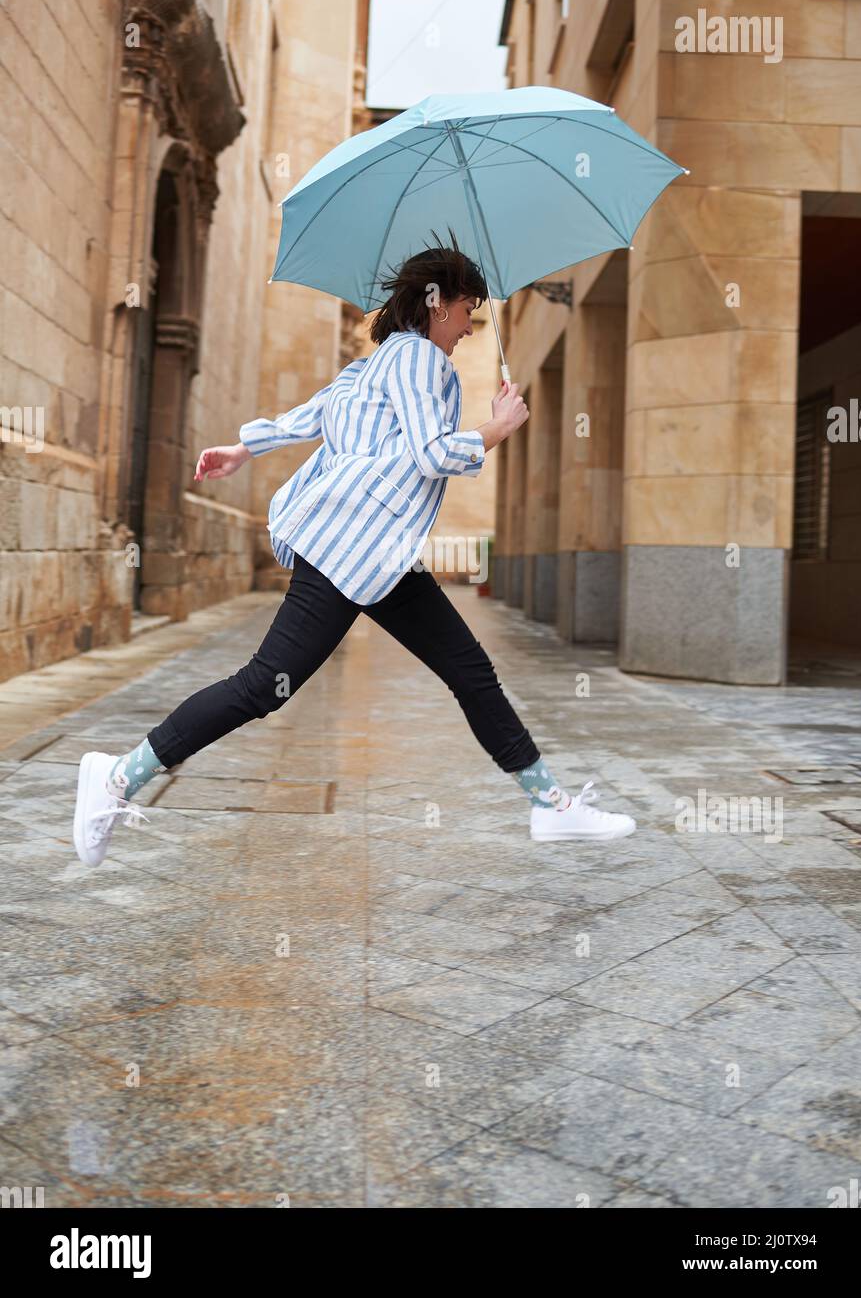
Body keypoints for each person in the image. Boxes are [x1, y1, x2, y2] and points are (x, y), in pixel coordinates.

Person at [73, 231, 636, 867]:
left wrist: (243, 447)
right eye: (466, 310)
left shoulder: (371, 365)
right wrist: (497, 428)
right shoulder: (422, 361)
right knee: (265, 686)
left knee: (469, 669)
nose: (470, 327)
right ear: (436, 302)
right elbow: (432, 453)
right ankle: (119, 775)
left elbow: (312, 414)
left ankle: (552, 806)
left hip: (376, 556)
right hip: (351, 551)